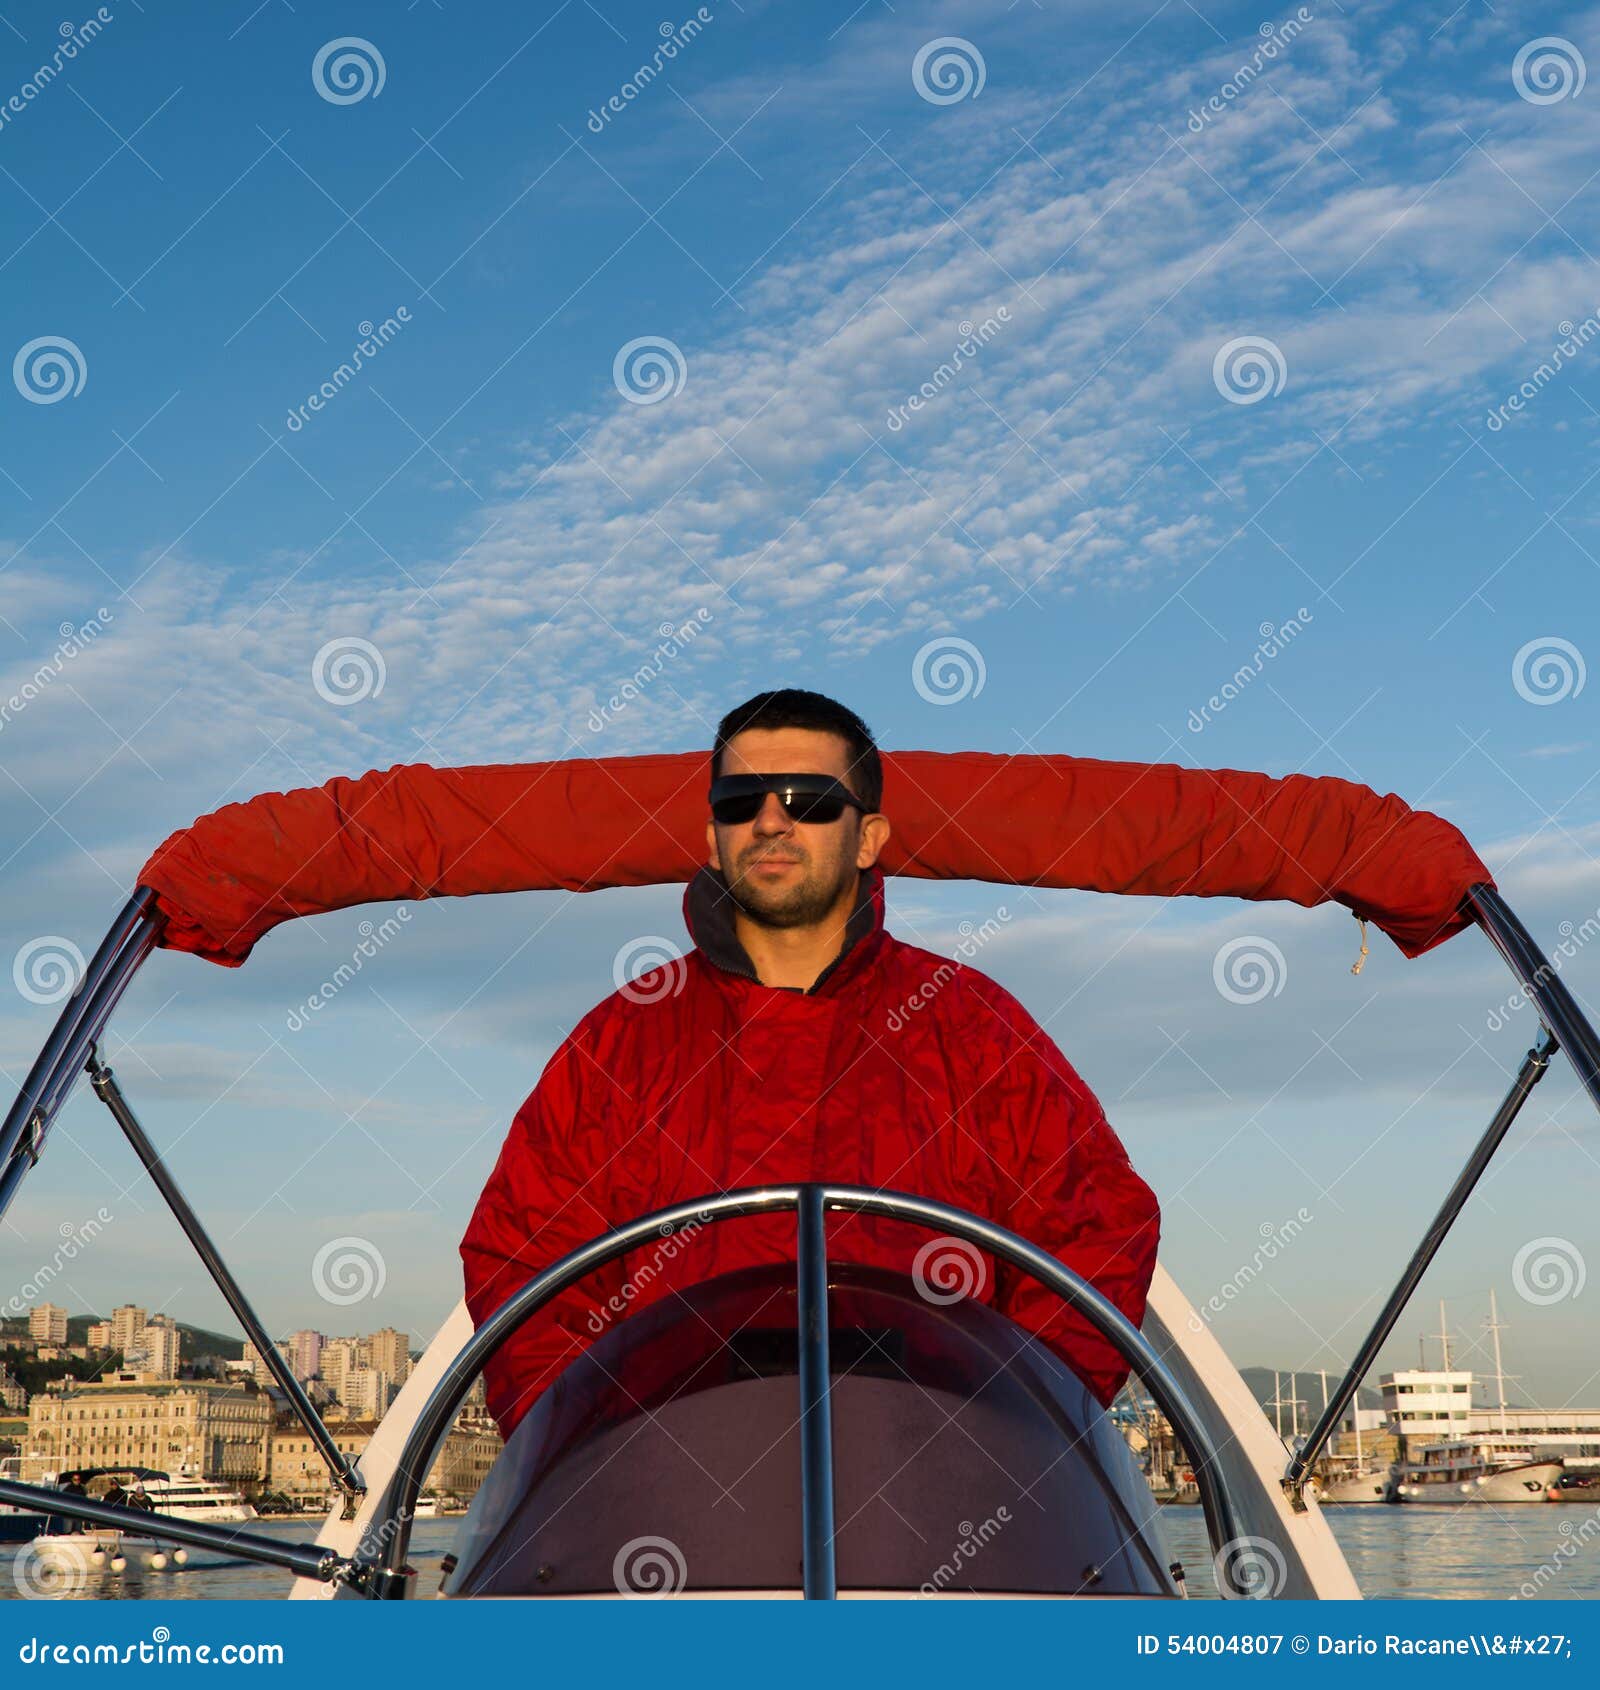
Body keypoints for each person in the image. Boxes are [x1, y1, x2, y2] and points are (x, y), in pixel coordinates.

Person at [460, 689, 1160, 1442]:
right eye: (740, 801)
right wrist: (588, 1449)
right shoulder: (617, 1042)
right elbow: (523, 1264)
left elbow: (1100, 1227)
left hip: (938, 1502)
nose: (770, 821)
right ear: (712, 834)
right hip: (665, 1509)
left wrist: (1006, 1424)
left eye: (812, 800)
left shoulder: (975, 1028)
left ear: (869, 837)